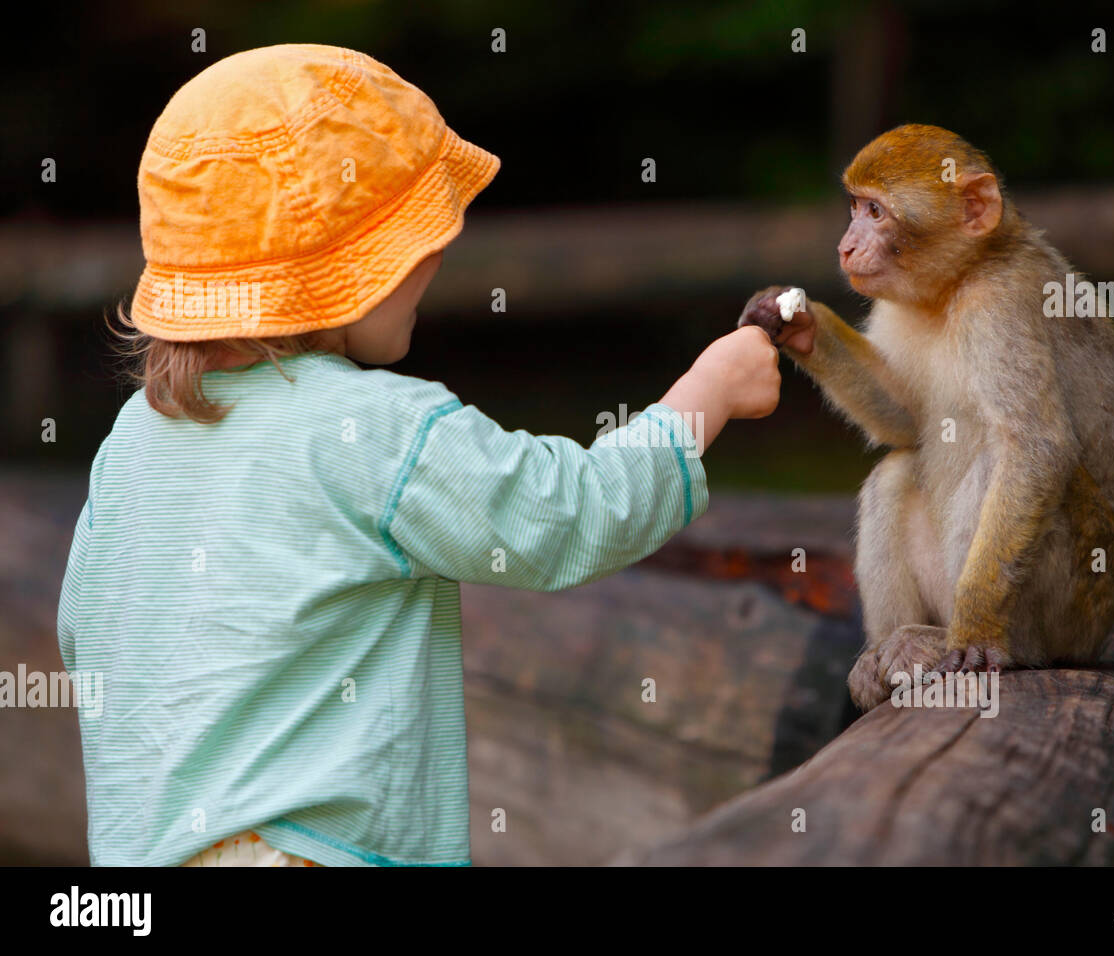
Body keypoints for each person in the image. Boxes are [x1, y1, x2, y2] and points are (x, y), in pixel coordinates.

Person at [56, 44, 781, 867]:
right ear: (346, 269)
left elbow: (88, 632)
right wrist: (707, 392)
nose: (437, 256)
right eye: (418, 237)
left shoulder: (134, 439)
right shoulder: (376, 429)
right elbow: (566, 513)